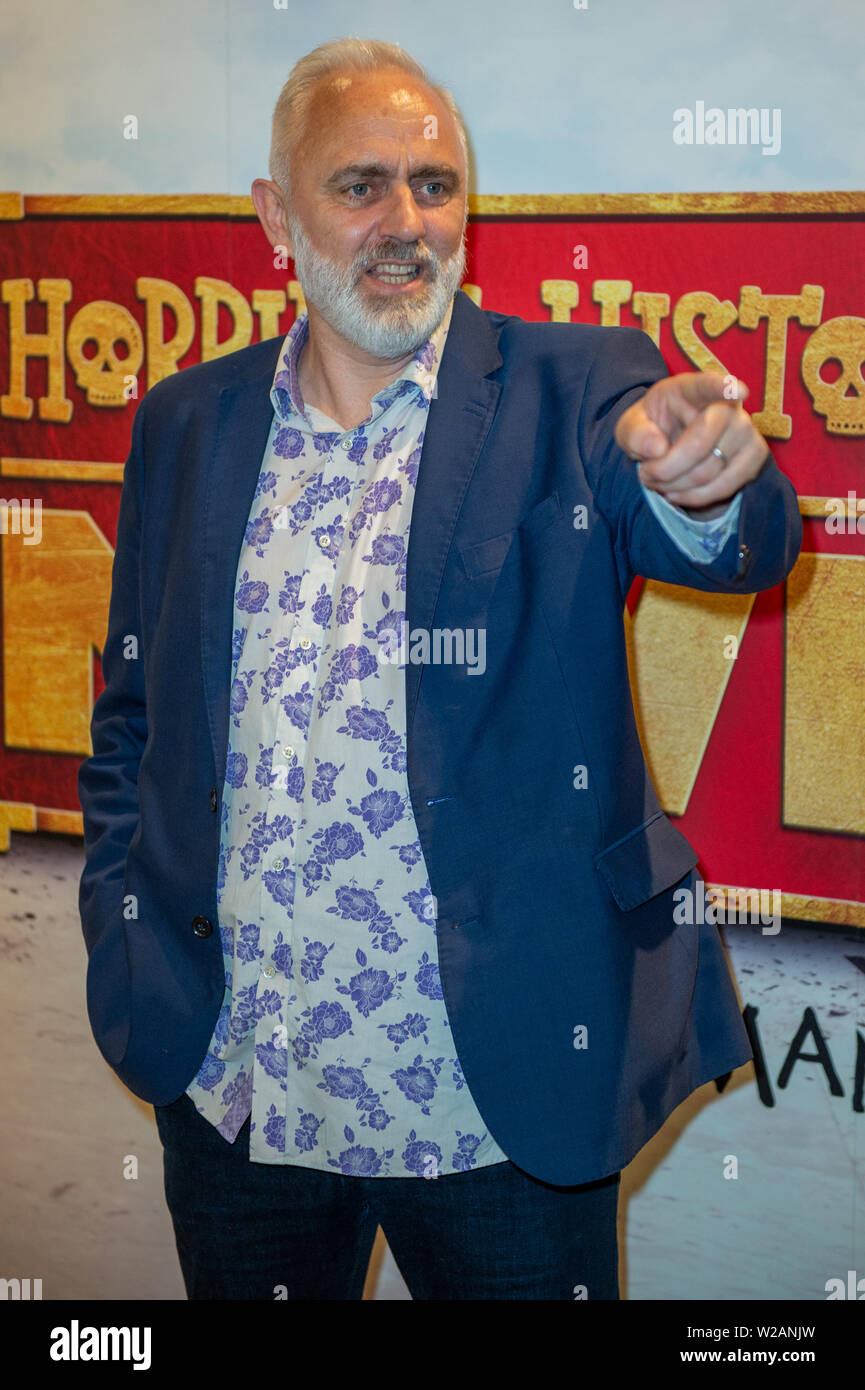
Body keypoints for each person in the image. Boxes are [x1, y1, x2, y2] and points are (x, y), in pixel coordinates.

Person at [77, 37, 802, 1301]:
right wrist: (119, 931)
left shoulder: (578, 387)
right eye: (360, 186)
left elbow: (732, 535)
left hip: (492, 1100)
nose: (406, 223)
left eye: (436, 185)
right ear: (276, 215)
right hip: (240, 1085)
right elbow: (131, 720)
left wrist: (708, 480)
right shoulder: (186, 425)